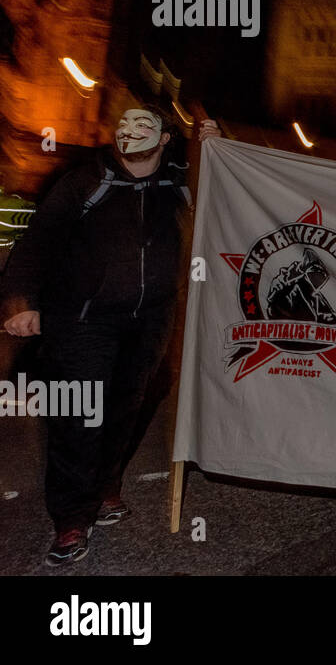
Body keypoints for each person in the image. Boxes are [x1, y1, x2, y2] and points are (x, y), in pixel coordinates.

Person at [0, 105, 219, 566]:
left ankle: (104, 487)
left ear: (164, 139)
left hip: (150, 321)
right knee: (79, 416)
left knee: (125, 410)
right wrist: (22, 300)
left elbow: (228, 193)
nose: (129, 131)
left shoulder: (180, 182)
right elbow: (37, 241)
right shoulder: (85, 182)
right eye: (123, 124)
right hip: (82, 321)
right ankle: (71, 518)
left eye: (143, 125)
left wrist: (216, 147)